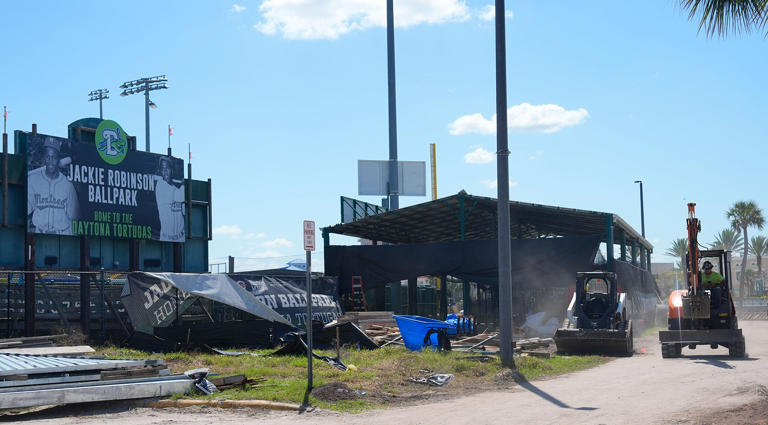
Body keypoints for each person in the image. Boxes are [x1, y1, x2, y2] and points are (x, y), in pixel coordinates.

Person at [27, 137, 78, 235]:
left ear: (59, 159)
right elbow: (26, 209)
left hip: (63, 235)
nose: (50, 161)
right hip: (39, 234)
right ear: (43, 159)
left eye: (54, 157)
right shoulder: (33, 180)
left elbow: (74, 216)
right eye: (47, 157)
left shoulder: (68, 185)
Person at [154, 156, 185, 241]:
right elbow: (178, 196)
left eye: (167, 168)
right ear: (160, 171)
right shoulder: (160, 186)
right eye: (163, 169)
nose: (165, 172)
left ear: (172, 170)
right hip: (165, 237)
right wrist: (183, 185)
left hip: (181, 236)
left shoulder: (175, 188)